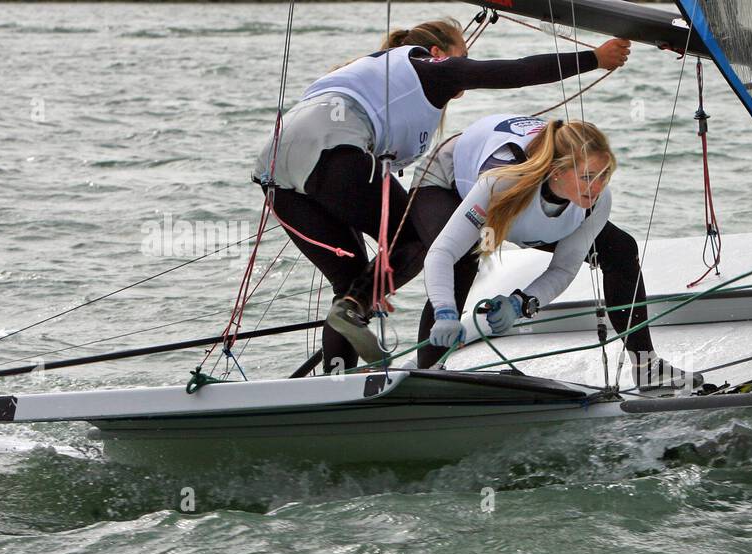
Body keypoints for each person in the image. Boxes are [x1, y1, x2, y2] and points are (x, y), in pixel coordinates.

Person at [251, 19, 631, 371]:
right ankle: (398, 347)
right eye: (463, 55)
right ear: (439, 54)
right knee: (415, 239)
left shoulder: (376, 71)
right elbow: (513, 71)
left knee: (350, 285)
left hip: (274, 169)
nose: (466, 65)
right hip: (330, 147)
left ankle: (337, 383)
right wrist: (594, 58)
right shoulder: (432, 69)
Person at [380, 113, 702, 391]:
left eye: (605, 175)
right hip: (445, 180)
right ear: (557, 171)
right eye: (589, 177)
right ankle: (429, 372)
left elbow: (564, 269)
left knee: (620, 249)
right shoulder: (501, 183)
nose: (599, 186)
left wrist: (521, 304)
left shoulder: (596, 201)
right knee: (465, 258)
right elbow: (441, 254)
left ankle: (647, 367)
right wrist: (446, 313)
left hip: (522, 212)